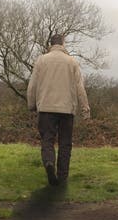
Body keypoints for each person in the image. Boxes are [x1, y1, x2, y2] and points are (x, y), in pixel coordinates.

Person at [27, 33, 90, 186]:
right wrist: (85, 109)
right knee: (65, 143)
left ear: (51, 44)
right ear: (63, 44)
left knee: (47, 140)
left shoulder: (41, 60)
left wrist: (31, 104)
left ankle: (49, 162)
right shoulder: (72, 61)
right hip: (67, 109)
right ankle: (62, 178)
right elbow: (79, 87)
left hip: (46, 108)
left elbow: (33, 85)